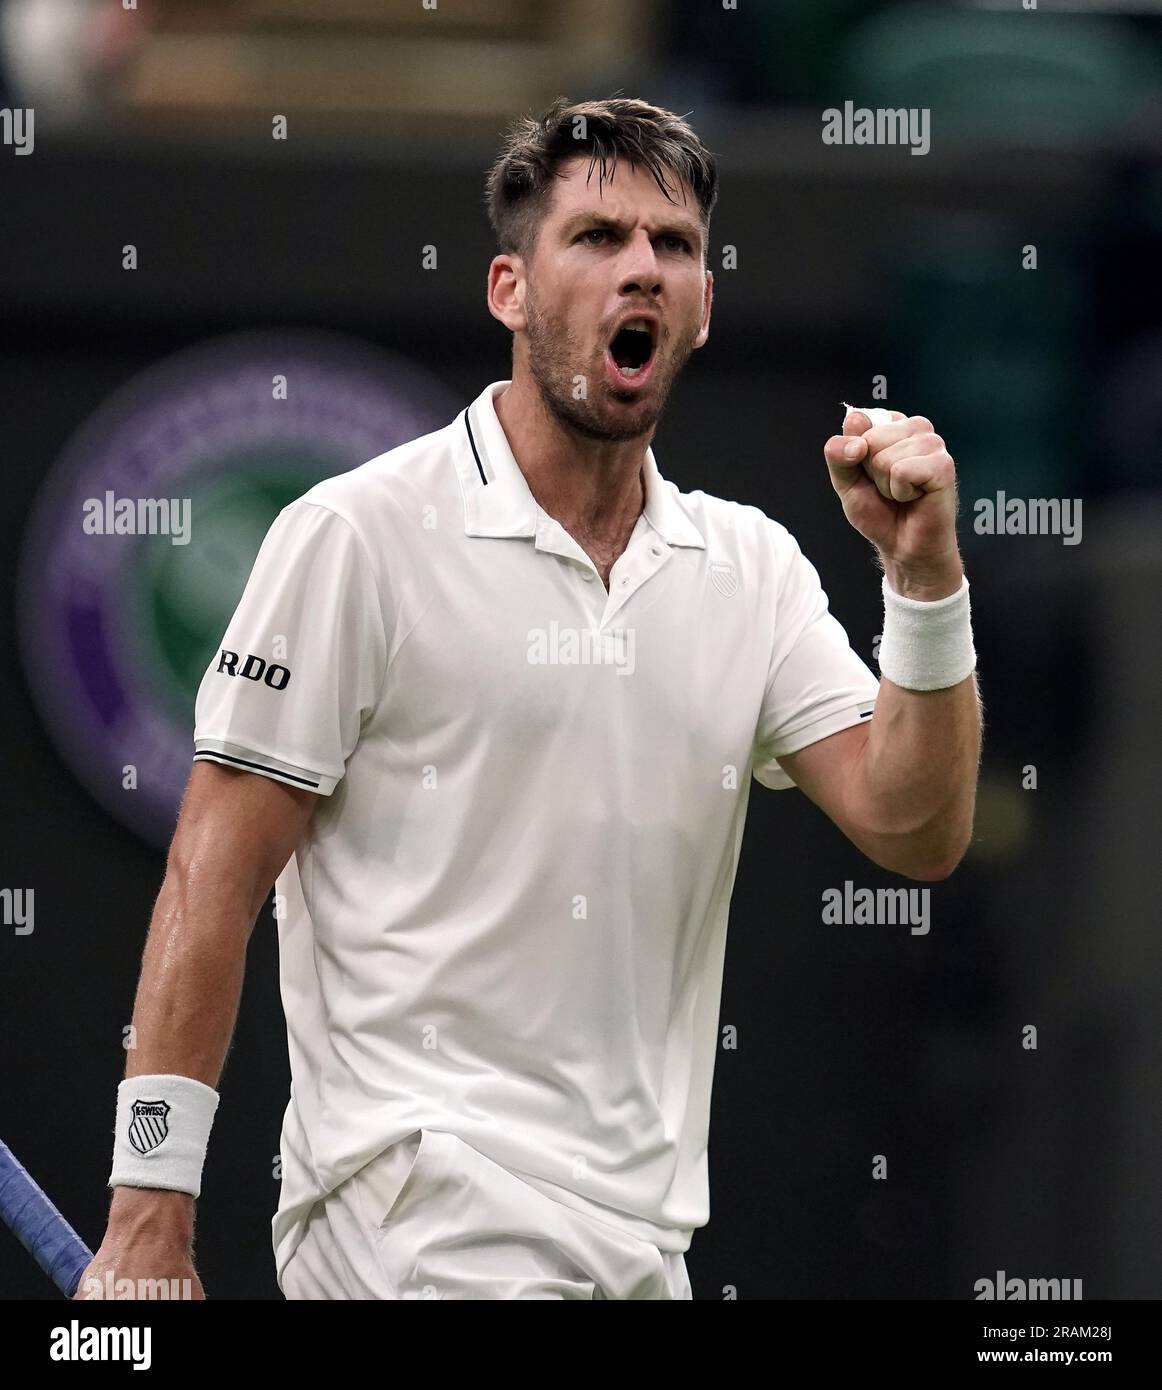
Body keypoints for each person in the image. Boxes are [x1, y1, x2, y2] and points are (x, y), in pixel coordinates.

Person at [77, 96, 981, 1301]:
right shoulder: (356, 534)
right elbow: (213, 874)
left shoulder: (750, 567)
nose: (641, 271)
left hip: (639, 1239)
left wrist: (923, 582)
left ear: (704, 307)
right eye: (597, 238)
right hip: (414, 1208)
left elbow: (916, 827)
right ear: (509, 288)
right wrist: (148, 1215)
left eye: (672, 246)